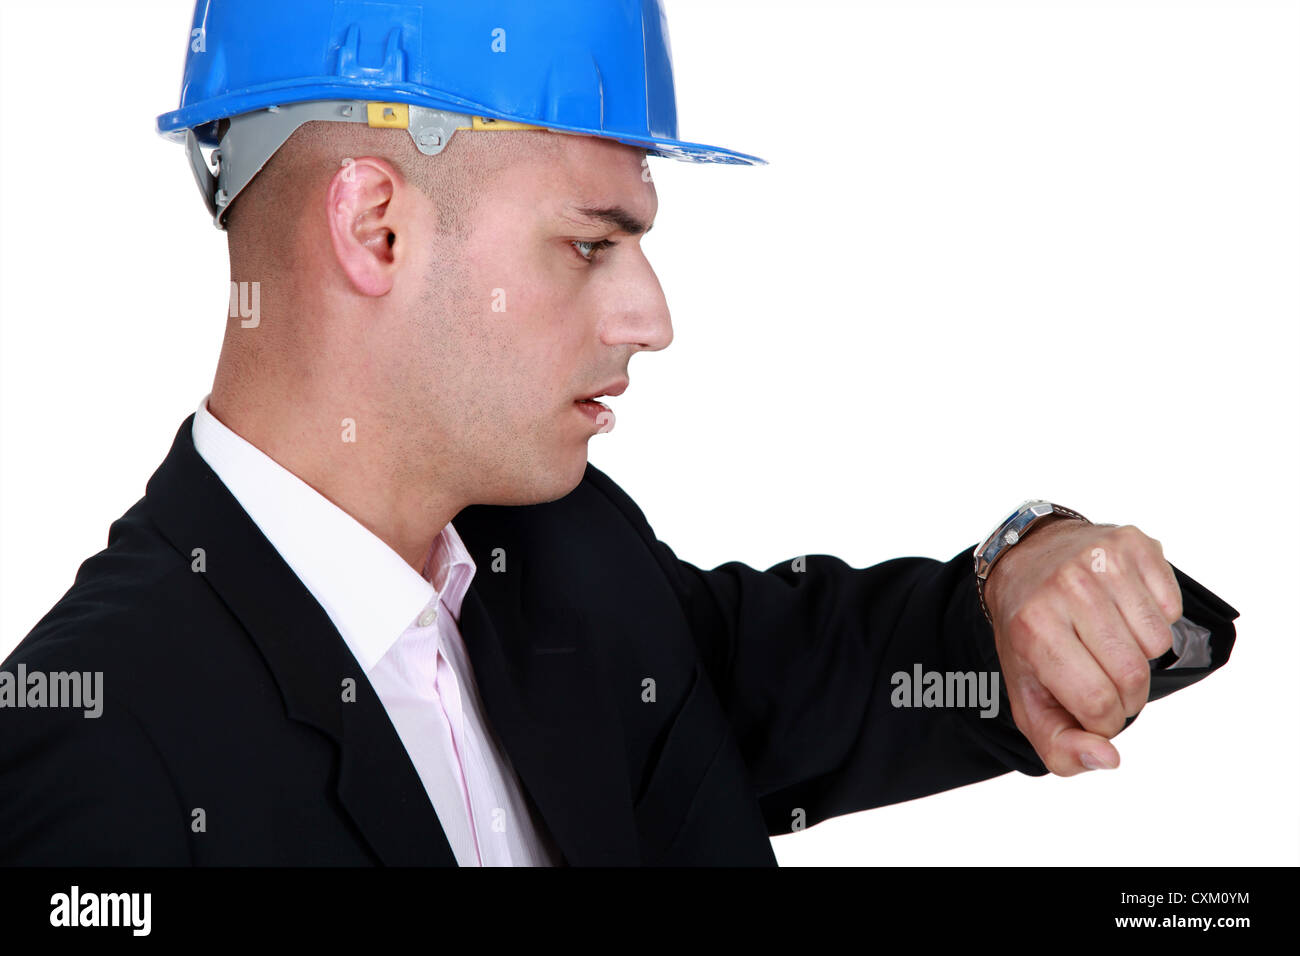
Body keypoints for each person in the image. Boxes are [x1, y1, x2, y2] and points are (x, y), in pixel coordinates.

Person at [0, 0, 1238, 866]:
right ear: (375, 227)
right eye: (591, 243)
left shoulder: (567, 568)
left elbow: (895, 661)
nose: (652, 316)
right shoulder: (93, 750)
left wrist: (1033, 569)